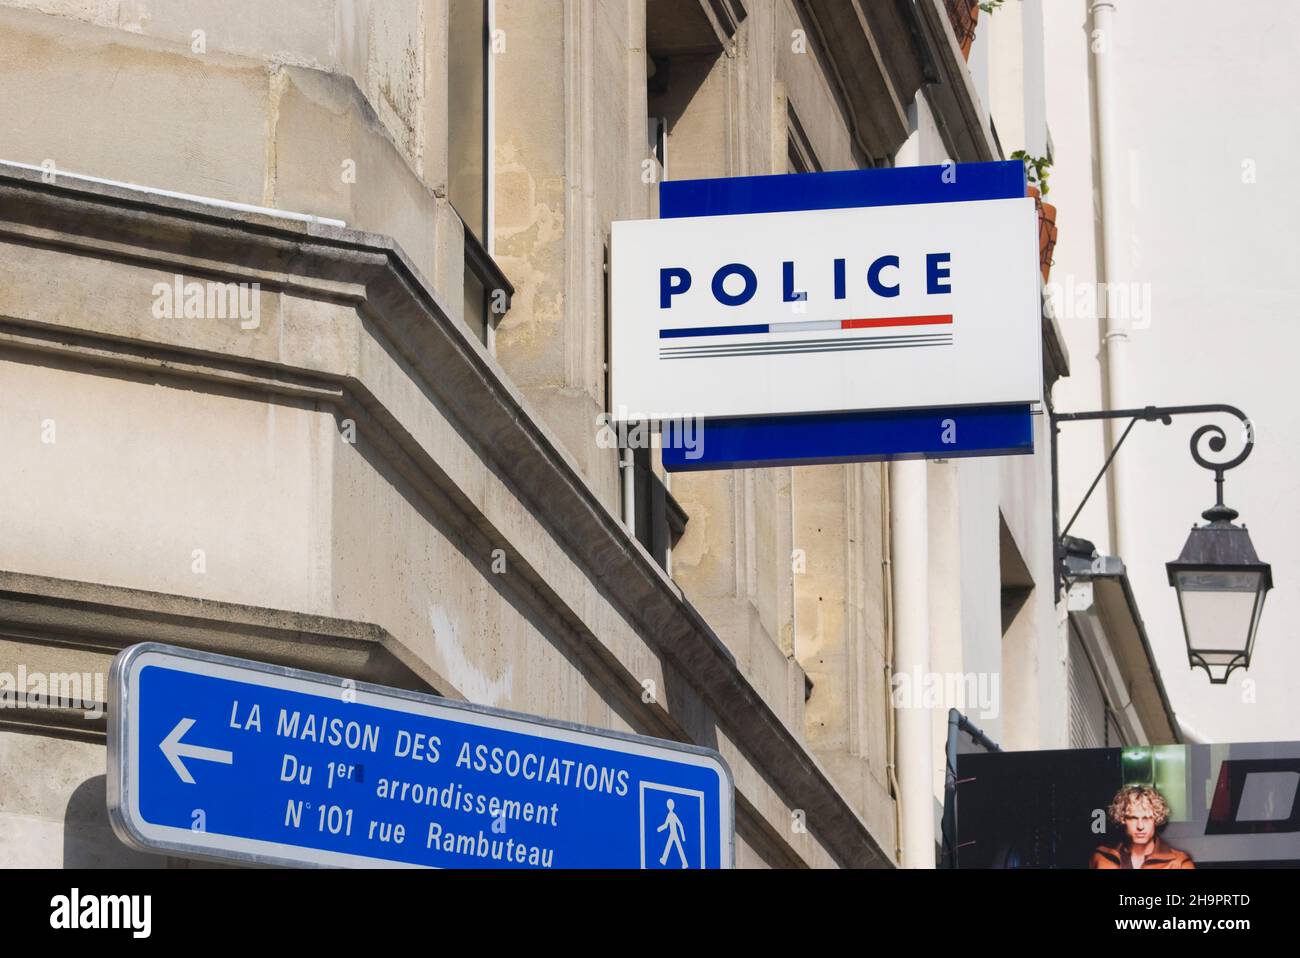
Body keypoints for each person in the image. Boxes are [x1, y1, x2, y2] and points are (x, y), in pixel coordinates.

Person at [1089, 784, 1195, 869]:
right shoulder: (1102, 858)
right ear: (1123, 819)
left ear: (1156, 820)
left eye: (1146, 818)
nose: (1140, 826)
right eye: (1133, 818)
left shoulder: (1179, 863)